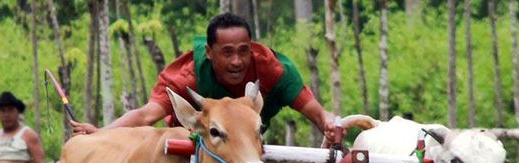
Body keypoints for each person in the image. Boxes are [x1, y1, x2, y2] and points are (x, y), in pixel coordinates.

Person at [70, 12, 341, 140]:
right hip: (192, 144)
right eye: (227, 53)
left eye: (243, 52)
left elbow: (319, 114)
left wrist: (331, 124)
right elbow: (145, 116)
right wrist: (101, 133)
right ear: (210, 52)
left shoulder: (274, 70)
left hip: (245, 147)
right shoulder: (186, 78)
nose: (237, 61)